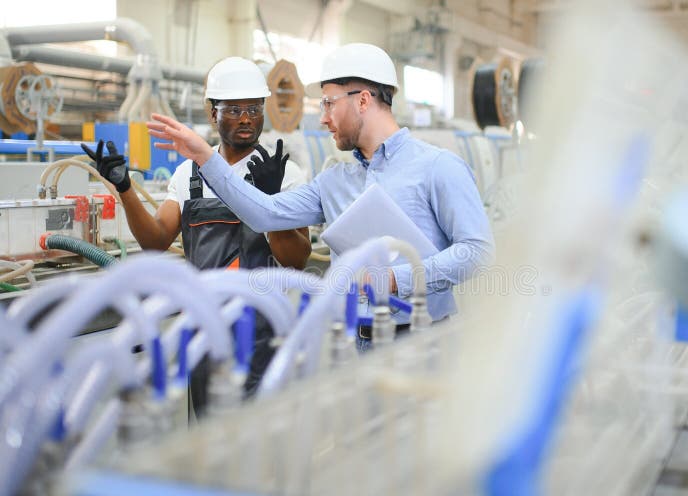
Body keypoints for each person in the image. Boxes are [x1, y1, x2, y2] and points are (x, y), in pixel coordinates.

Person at [147, 43, 494, 350]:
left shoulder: (438, 167)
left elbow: (477, 251)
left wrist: (395, 279)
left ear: (362, 100)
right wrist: (205, 159)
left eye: (328, 104)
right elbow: (264, 214)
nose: (323, 118)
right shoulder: (334, 181)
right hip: (351, 342)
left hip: (422, 342)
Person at [82, 56, 311, 413]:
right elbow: (156, 241)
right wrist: (125, 188)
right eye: (234, 110)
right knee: (207, 427)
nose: (247, 118)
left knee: (259, 431)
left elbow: (296, 259)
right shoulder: (189, 175)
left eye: (254, 108)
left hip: (263, 324)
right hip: (204, 323)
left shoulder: (284, 173)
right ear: (212, 113)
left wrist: (269, 203)